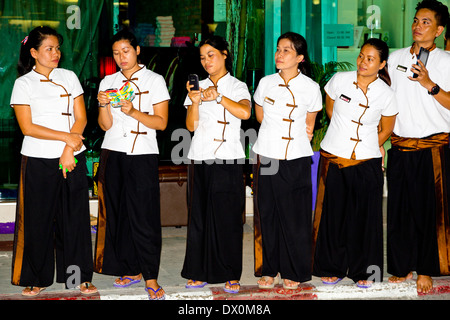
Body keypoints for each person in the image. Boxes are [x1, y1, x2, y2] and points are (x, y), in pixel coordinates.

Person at [10, 26, 97, 296]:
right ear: (34, 53)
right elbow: (28, 127)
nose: (56, 53)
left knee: (75, 218)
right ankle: (36, 278)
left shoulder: (69, 77)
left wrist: (69, 149)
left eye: (58, 48)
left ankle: (79, 277)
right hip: (38, 159)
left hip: (71, 158)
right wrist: (66, 139)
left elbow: (81, 118)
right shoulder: (23, 84)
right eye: (49, 49)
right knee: (38, 219)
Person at [312, 38, 398, 289]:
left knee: (366, 219)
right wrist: (341, 133)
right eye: (362, 56)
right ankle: (332, 267)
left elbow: (387, 129)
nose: (363, 62)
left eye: (370, 59)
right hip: (333, 156)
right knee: (333, 215)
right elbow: (329, 106)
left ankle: (365, 271)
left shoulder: (386, 93)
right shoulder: (340, 80)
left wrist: (366, 145)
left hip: (366, 161)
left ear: (382, 64)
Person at [94, 29, 169, 300]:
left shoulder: (154, 80)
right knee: (117, 212)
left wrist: (134, 112)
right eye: (115, 53)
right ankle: (129, 268)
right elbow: (105, 125)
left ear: (137, 50)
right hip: (113, 151)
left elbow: (161, 122)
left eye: (125, 51)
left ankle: (150, 276)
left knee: (144, 215)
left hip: (143, 153)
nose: (120, 57)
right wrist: (103, 105)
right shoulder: (108, 81)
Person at [386, 0, 450, 294]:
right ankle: (401, 267)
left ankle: (426, 268)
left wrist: (429, 83)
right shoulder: (396, 57)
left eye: (425, 22)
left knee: (429, 212)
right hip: (400, 146)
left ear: (438, 30)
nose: (417, 26)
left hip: (433, 147)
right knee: (399, 209)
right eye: (415, 20)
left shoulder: (447, 61)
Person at [181, 35, 251, 294]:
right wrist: (196, 102)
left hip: (229, 157)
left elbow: (245, 113)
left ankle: (231, 273)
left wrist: (219, 97)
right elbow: (191, 126)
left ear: (224, 54)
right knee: (198, 216)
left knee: (229, 218)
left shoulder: (238, 85)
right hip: (200, 156)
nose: (206, 61)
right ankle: (197, 272)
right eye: (202, 57)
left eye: (211, 54)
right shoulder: (196, 87)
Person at [252, 32, 322, 289]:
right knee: (267, 214)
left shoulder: (311, 88)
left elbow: (310, 122)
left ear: (300, 58)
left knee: (295, 217)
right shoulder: (265, 83)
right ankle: (269, 269)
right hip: (268, 155)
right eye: (278, 49)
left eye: (286, 51)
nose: (279, 55)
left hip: (296, 157)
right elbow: (259, 116)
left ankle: (294, 270)